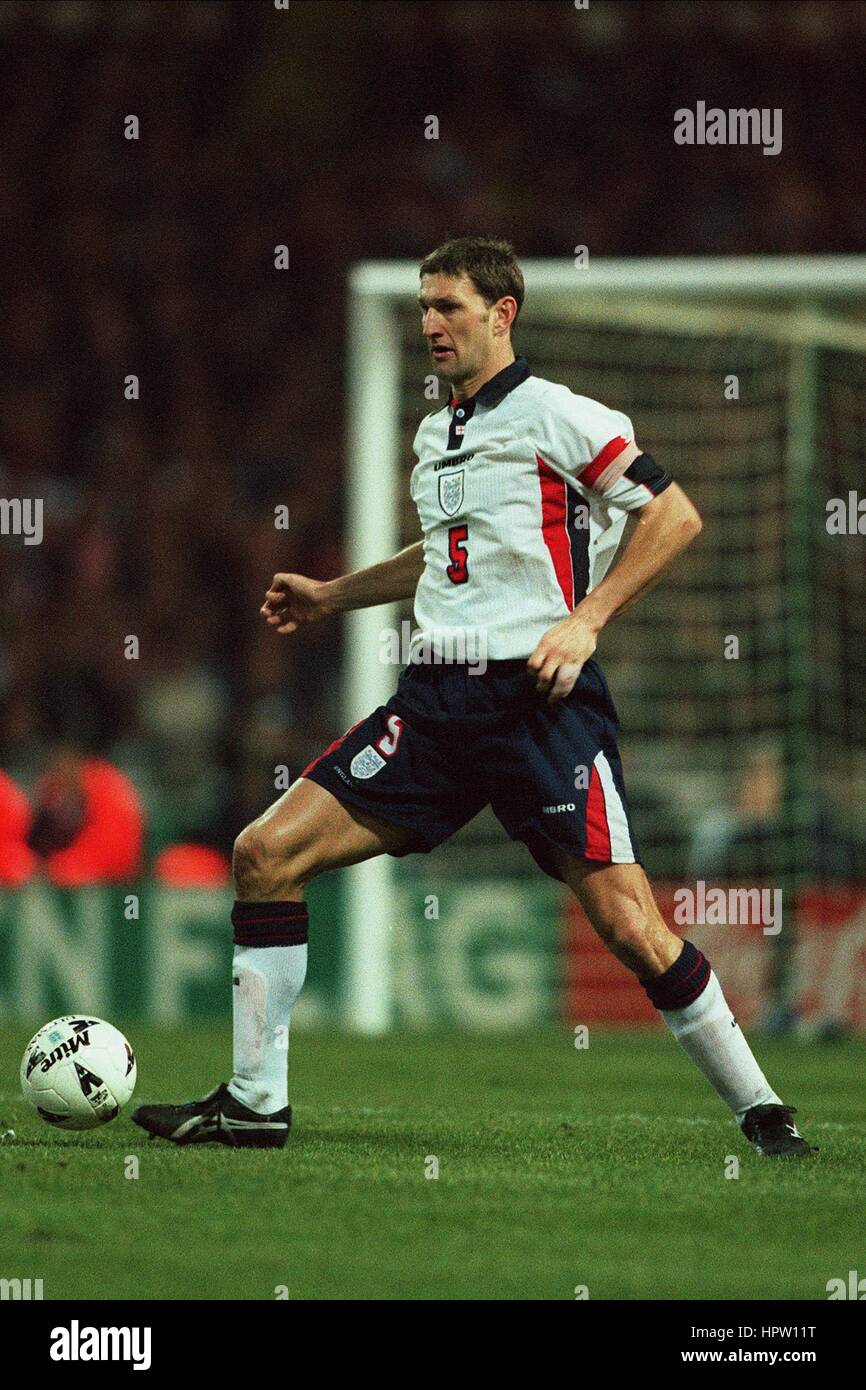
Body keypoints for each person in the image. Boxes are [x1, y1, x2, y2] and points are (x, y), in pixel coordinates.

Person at [133, 238, 812, 1157]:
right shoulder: (435, 430)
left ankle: (763, 1114)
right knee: (264, 853)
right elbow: (445, 553)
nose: (429, 325)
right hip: (435, 709)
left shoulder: (559, 415)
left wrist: (588, 621)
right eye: (422, 307)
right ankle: (256, 1103)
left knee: (628, 924)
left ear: (503, 312)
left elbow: (673, 515)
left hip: (539, 704)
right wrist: (335, 595)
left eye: (448, 306)